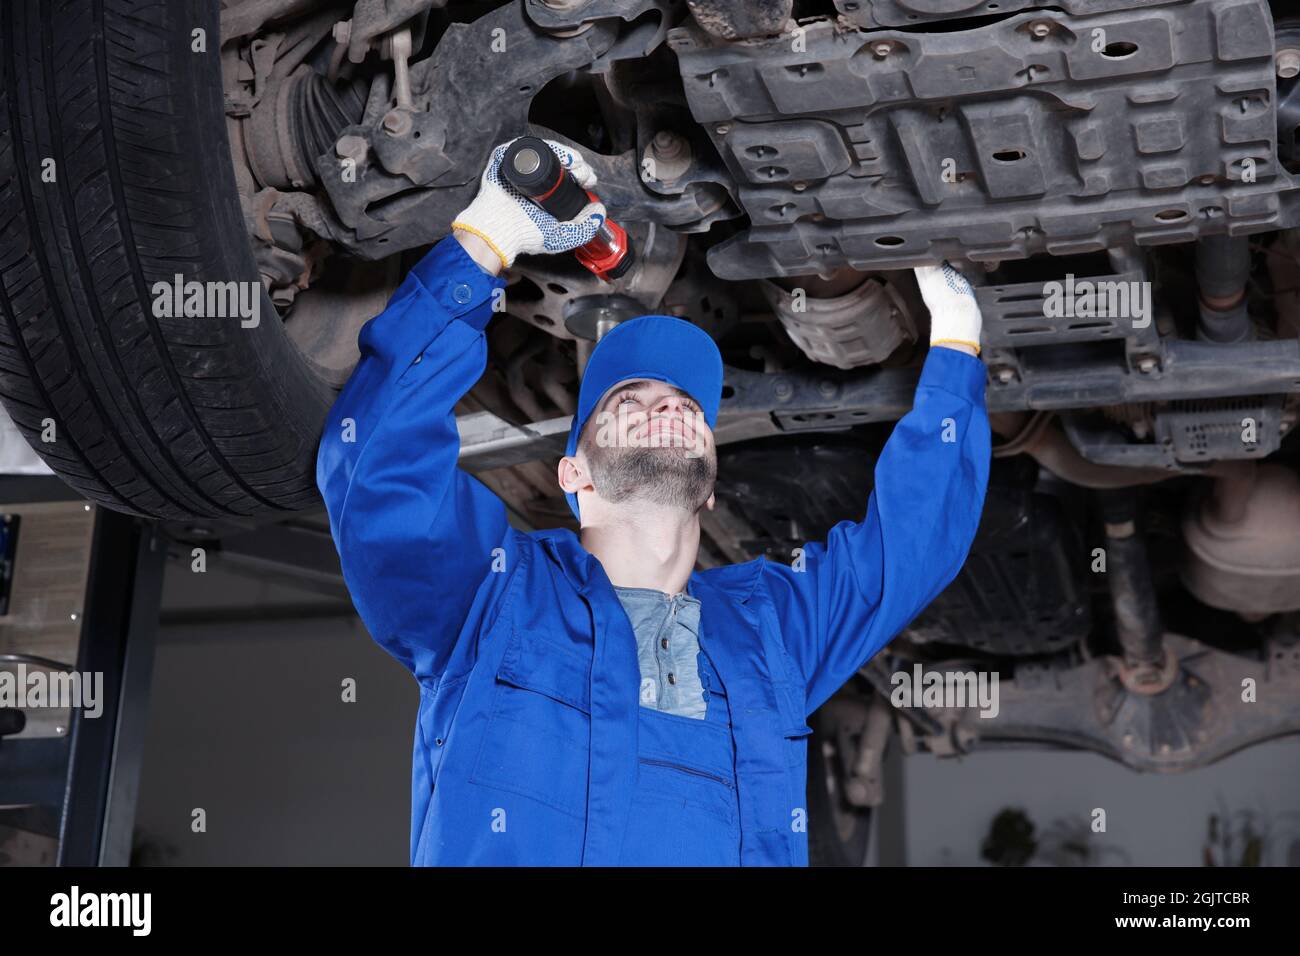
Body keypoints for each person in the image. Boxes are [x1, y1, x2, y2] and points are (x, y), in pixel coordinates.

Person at [316, 137, 991, 866]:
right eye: (628, 399)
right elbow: (376, 462)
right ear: (574, 475)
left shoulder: (768, 633)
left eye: (683, 401)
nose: (668, 405)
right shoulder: (491, 597)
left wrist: (957, 345)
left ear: (709, 485)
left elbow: (910, 549)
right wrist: (486, 241)